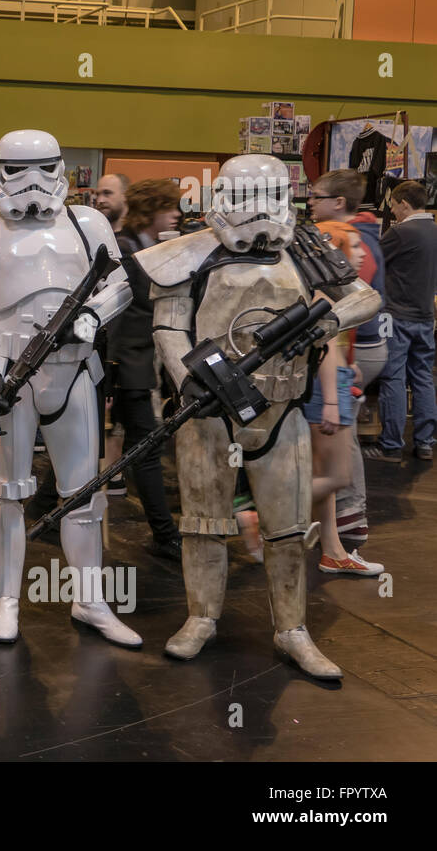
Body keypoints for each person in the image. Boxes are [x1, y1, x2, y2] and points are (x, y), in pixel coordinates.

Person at [137, 153, 380, 679]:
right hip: (208, 411)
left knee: (288, 528)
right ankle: (201, 617)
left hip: (283, 408)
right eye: (245, 198)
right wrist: (193, 385)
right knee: (203, 524)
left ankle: (292, 628)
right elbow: (169, 330)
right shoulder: (189, 253)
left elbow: (364, 297)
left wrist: (324, 324)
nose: (256, 212)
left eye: (266, 197)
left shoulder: (307, 248)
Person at [0, 130, 136, 646]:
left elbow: (121, 284)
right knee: (8, 491)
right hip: (12, 372)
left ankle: (90, 600)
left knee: (83, 493)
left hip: (75, 368)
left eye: (42, 168)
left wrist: (93, 316)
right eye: (16, 170)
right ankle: (7, 598)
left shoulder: (88, 222)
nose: (31, 182)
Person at [309, 170, 386, 545]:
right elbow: (327, 342)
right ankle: (267, 513)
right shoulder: (327, 293)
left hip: (336, 377)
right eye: (353, 250)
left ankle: (333, 544)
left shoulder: (340, 245)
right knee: (333, 469)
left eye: (316, 195)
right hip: (329, 380)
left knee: (331, 468)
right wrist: (330, 396)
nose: (362, 256)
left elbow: (335, 340)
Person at [107, 179, 182, 560]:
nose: (177, 213)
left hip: (135, 364)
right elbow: (115, 313)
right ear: (152, 209)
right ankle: (164, 533)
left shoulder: (147, 246)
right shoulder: (126, 249)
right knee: (146, 448)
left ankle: (46, 509)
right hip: (127, 365)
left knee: (133, 446)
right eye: (170, 207)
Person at [367, 179, 437, 463]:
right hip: (425, 316)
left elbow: (372, 262)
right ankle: (425, 442)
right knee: (423, 378)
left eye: (394, 206)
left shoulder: (401, 233)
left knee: (393, 378)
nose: (393, 212)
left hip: (397, 316)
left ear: (405, 204)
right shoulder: (434, 231)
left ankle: (391, 446)